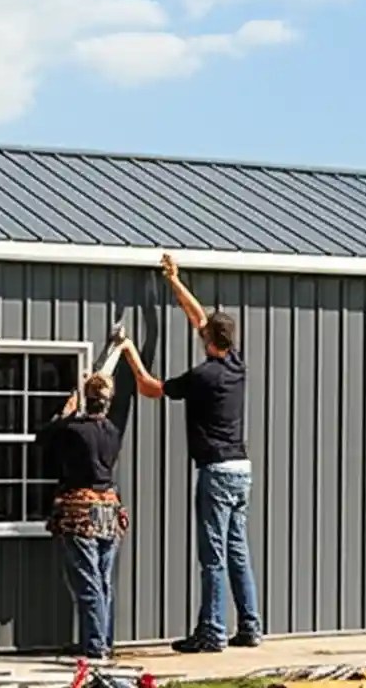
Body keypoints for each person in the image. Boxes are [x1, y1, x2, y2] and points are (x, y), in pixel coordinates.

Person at [119, 253, 263, 654]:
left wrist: (128, 349)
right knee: (237, 550)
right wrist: (174, 281)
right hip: (241, 471)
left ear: (208, 342)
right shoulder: (236, 365)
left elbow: (150, 388)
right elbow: (198, 317)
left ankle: (212, 633)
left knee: (212, 556)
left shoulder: (203, 377)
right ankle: (250, 626)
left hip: (216, 473)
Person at [39, 371, 130, 660]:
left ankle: (95, 646)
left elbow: (43, 437)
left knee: (88, 581)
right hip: (109, 510)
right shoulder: (113, 431)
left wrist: (65, 413)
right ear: (108, 401)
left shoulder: (74, 429)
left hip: (81, 511)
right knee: (103, 580)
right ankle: (103, 640)